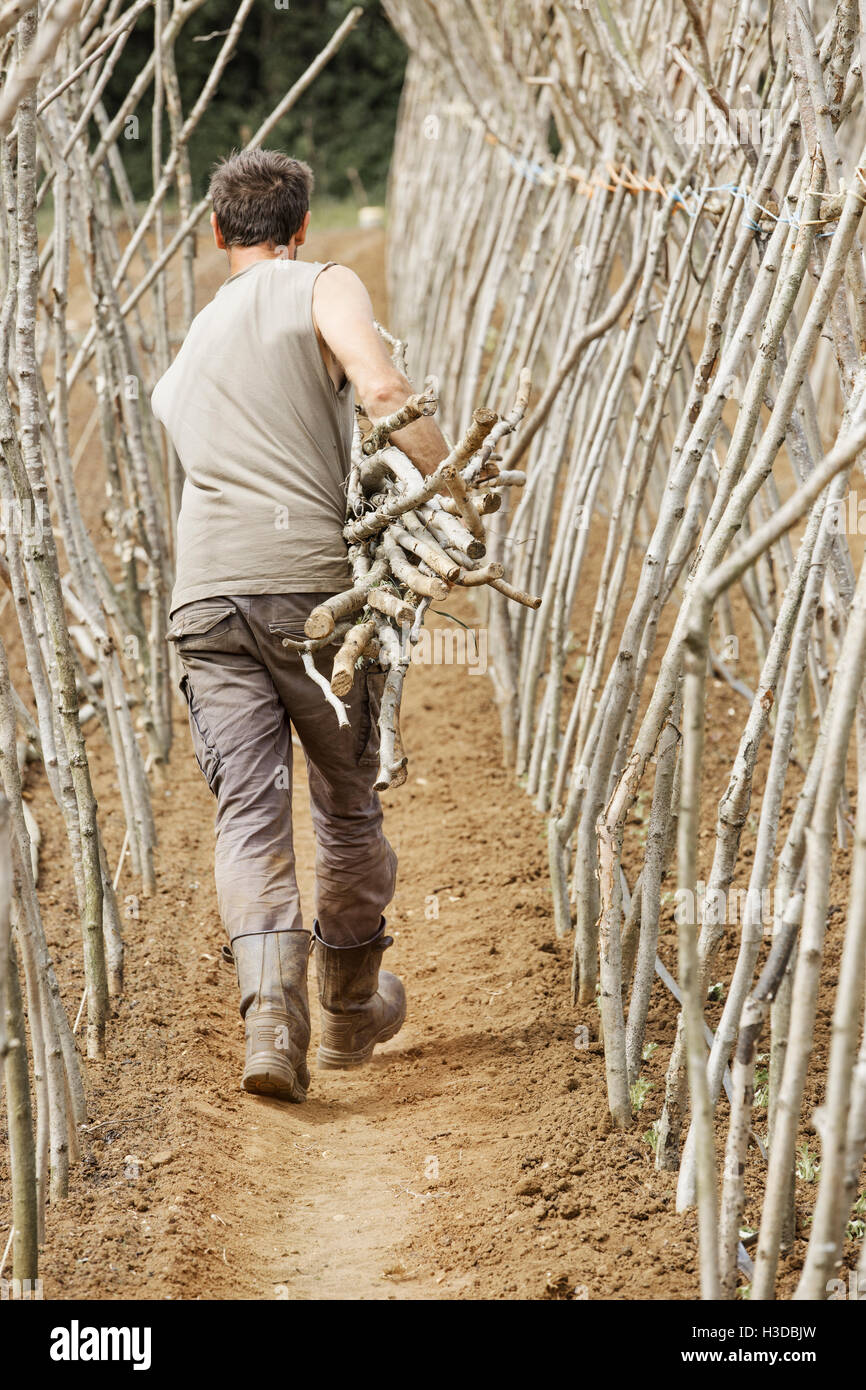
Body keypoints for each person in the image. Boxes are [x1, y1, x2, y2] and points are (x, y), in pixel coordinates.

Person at [151, 149, 449, 1102]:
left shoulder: (191, 344)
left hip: (203, 598)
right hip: (306, 596)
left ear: (215, 233)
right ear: (303, 226)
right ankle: (351, 1011)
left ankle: (271, 1026)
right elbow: (385, 389)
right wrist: (451, 494)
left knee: (247, 809)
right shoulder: (322, 283)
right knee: (346, 797)